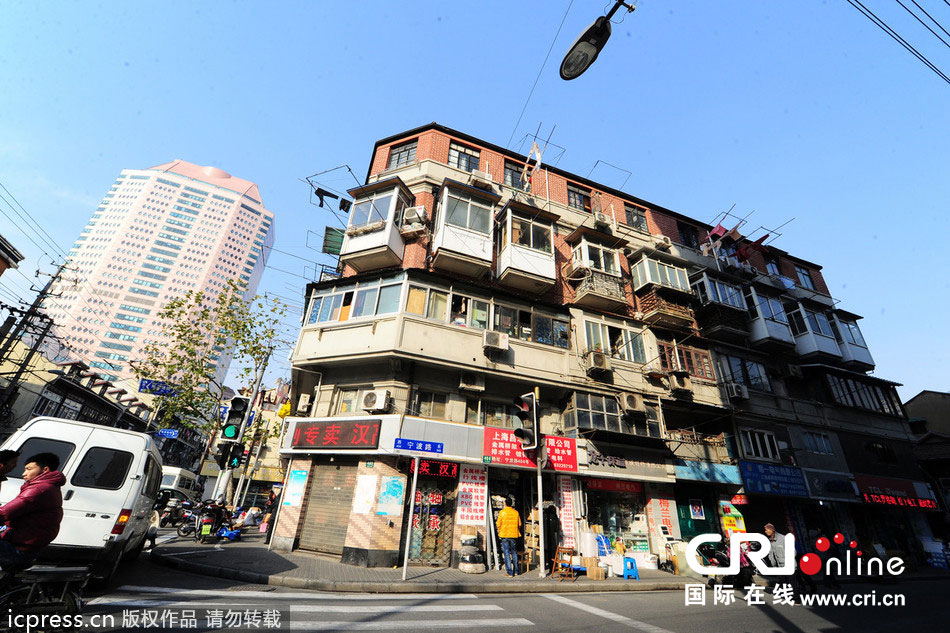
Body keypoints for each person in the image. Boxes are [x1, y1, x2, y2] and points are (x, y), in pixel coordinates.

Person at [0, 453, 65, 571]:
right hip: (26, 548)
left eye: (29, 469)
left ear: (45, 470)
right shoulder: (49, 487)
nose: (24, 473)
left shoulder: (39, 489)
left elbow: (5, 512)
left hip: (18, 551)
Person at [496, 497, 522, 577]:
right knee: (514, 552)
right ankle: (517, 571)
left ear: (505, 503)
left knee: (506, 553)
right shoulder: (516, 512)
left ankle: (510, 572)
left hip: (505, 535)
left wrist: (500, 531)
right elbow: (520, 524)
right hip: (514, 535)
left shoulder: (502, 512)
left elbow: (498, 524)